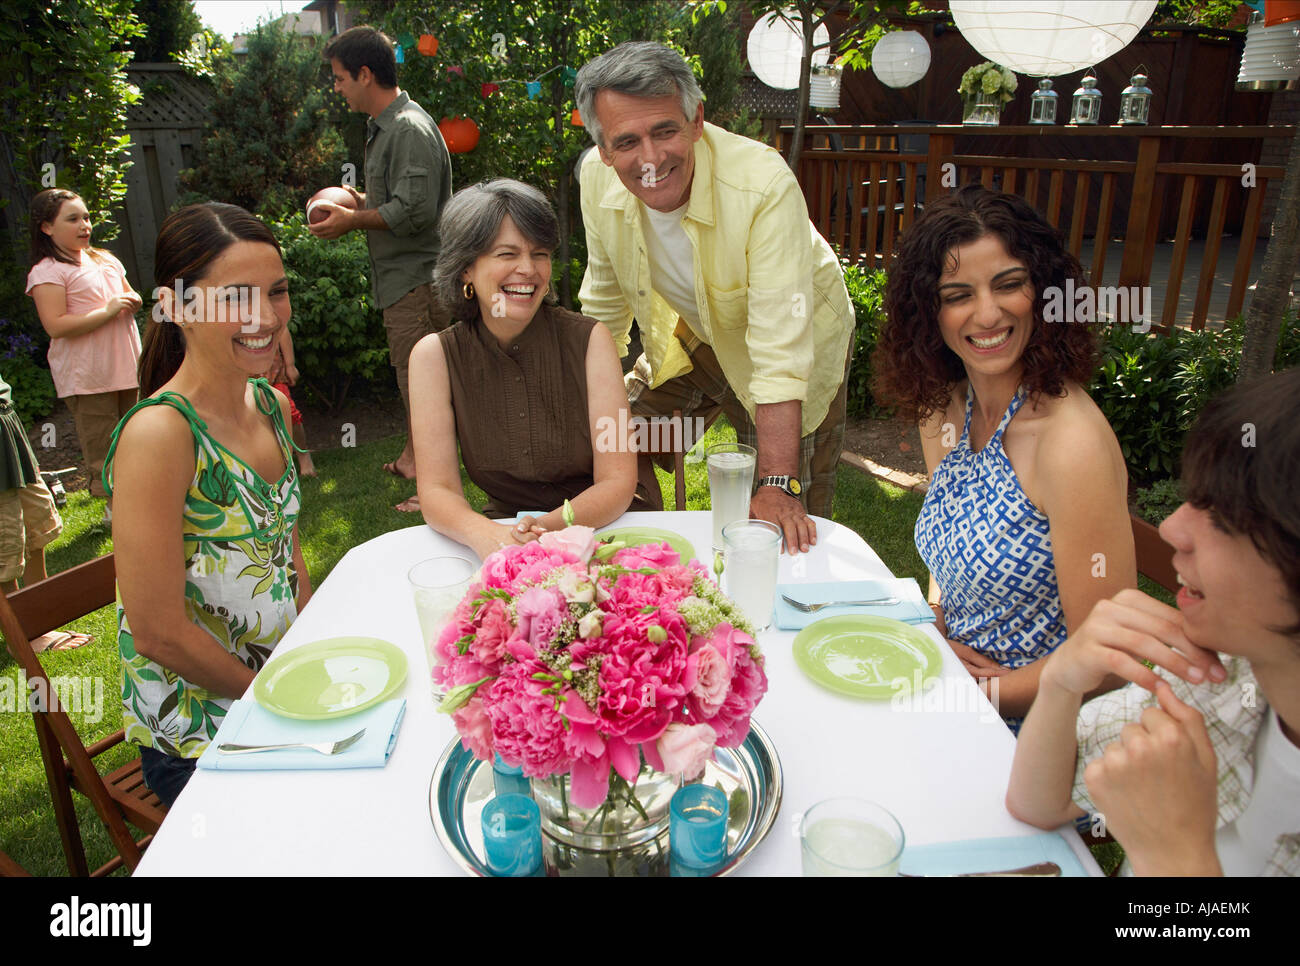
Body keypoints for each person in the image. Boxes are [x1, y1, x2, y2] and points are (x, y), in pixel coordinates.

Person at [1007, 368, 1300, 876]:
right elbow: (1040, 805)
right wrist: (1060, 681)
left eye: (1225, 518)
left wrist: (1176, 861)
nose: (1170, 528)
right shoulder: (1226, 681)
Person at [574, 42, 854, 554]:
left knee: (786, 524)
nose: (651, 158)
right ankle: (653, 553)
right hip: (697, 329)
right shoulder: (595, 176)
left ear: (697, 119)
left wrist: (776, 483)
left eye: (665, 131)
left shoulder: (764, 183)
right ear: (605, 149)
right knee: (614, 435)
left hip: (797, 336)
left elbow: (778, 348)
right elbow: (605, 306)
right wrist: (609, 451)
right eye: (628, 141)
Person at [875, 184, 1135, 726]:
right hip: (947, 687)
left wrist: (972, 695)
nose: (987, 314)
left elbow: (1109, 659)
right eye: (958, 294)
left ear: (1042, 292)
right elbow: (949, 556)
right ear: (930, 312)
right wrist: (937, 628)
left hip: (1038, 732)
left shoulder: (1070, 444)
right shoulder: (947, 408)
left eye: (1008, 285)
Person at [104, 203, 312, 807]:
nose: (265, 317)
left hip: (281, 686)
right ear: (173, 306)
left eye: (276, 292)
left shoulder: (269, 404)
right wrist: (269, 702)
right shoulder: (160, 436)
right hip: (203, 734)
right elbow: (159, 635)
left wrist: (313, 651)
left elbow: (286, 558)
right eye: (235, 297)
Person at [408, 179, 636, 562]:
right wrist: (490, 535)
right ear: (466, 269)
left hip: (607, 526)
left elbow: (618, 481)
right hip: (503, 531)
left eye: (540, 253)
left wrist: (542, 531)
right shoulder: (434, 357)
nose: (528, 269)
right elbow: (437, 490)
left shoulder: (591, 340)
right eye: (507, 254)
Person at [311, 25, 453, 510]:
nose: (337, 87)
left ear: (365, 73)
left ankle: (434, 490)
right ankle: (416, 460)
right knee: (416, 378)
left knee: (423, 384)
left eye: (339, 78)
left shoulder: (407, 129)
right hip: (402, 280)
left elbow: (414, 214)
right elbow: (402, 201)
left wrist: (353, 219)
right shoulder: (388, 127)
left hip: (416, 281)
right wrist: (356, 202)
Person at [25, 188, 142, 512]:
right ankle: (114, 509)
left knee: (136, 436)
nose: (85, 225)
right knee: (103, 443)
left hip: (126, 367)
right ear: (47, 228)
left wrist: (132, 301)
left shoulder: (104, 258)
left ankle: (142, 498)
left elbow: (129, 295)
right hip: (88, 376)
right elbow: (56, 325)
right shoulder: (48, 271)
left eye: (87, 217)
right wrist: (108, 310)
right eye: (73, 219)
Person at [256, 326, 316, 478]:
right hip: (243, 378)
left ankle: (303, 455)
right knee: (254, 420)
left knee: (289, 413)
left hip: (273, 373)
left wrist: (290, 364)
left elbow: (281, 330)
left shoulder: (264, 306)